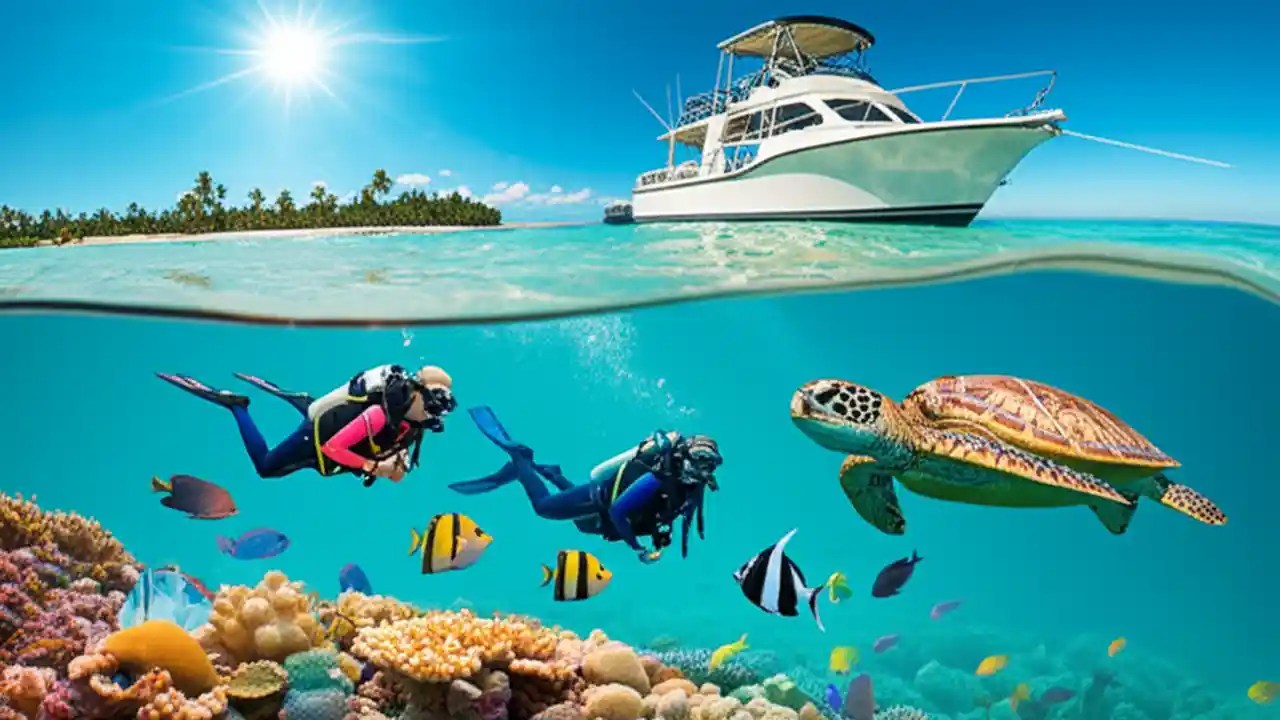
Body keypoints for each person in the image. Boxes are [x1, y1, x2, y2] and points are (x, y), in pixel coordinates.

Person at [449, 406, 722, 564]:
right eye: (699, 460)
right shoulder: (658, 477)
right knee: (543, 508)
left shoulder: (693, 486)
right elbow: (618, 510)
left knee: (579, 524)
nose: (702, 469)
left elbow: (685, 515)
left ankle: (553, 474)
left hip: (601, 516)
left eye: (709, 464)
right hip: (599, 501)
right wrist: (637, 548)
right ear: (685, 456)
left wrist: (663, 534)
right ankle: (521, 460)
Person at [156, 364, 457, 486]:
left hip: (336, 447)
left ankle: (306, 402)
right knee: (265, 467)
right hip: (316, 441)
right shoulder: (380, 414)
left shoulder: (415, 423)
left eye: (437, 412)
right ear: (416, 394)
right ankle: (238, 407)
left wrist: (395, 465)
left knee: (317, 411)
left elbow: (398, 466)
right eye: (431, 406)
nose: (432, 416)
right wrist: (372, 467)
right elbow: (332, 446)